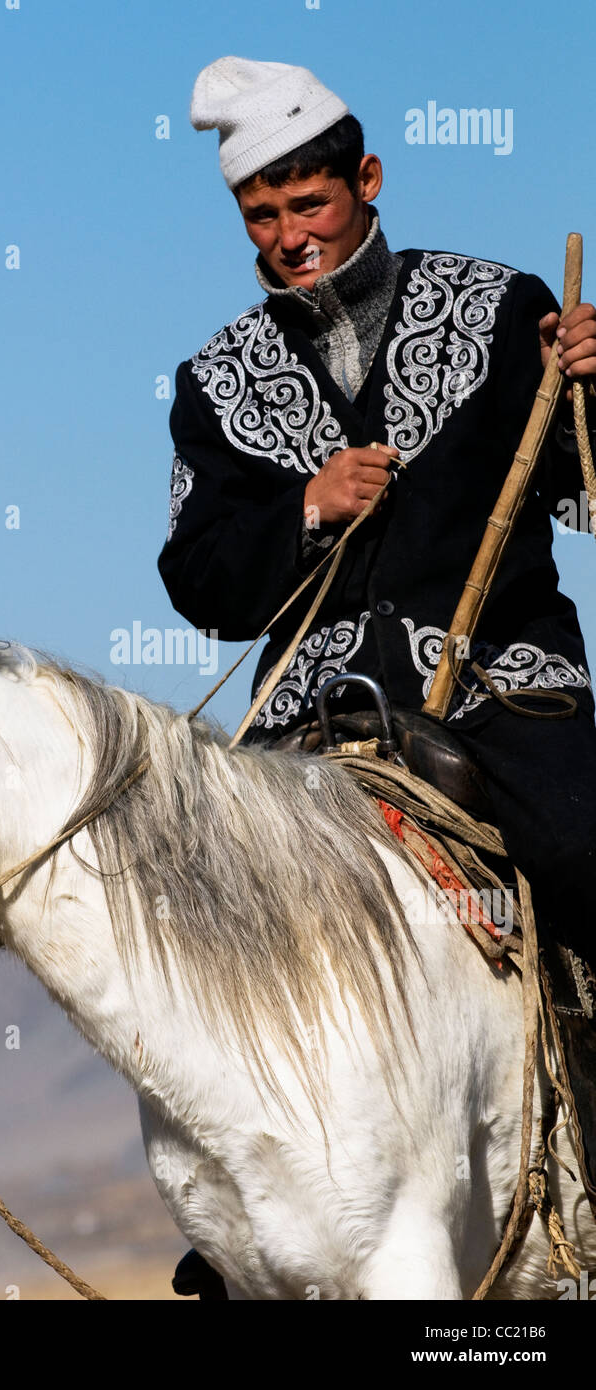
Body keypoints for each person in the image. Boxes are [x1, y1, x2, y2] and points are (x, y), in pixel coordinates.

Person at [157, 56, 596, 1223]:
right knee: (198, 933)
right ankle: (238, 1223)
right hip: (309, 723)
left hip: (505, 693)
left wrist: (595, 395)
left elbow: (584, 490)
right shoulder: (213, 384)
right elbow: (197, 581)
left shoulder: (500, 308)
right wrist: (305, 507)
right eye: (262, 213)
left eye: (309, 203)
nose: (288, 233)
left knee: (589, 859)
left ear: (365, 178)